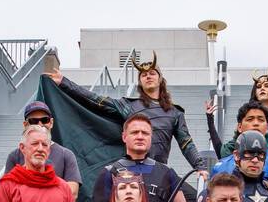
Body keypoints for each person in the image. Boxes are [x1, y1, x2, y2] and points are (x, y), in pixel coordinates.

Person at [47, 55, 207, 170]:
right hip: (131, 172)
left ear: (160, 79)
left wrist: (200, 167)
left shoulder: (174, 112)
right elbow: (97, 100)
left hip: (160, 173)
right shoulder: (128, 105)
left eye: (152, 73)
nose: (148, 76)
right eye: (144, 75)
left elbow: (186, 144)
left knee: (192, 199)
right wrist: (65, 83)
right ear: (140, 82)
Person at [91, 112, 192, 202]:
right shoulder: (109, 172)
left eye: (145, 133)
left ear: (151, 137)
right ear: (124, 137)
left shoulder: (166, 172)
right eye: (134, 132)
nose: (140, 136)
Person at [207, 102, 268, 196]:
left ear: (266, 128)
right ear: (239, 127)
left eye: (261, 120)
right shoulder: (220, 166)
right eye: (250, 119)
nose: (256, 123)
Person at [3, 101, 81, 199]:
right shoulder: (14, 156)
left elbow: (72, 192)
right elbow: (6, 191)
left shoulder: (66, 155)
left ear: (51, 122)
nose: (40, 124)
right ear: (25, 124)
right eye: (33, 121)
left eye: (44, 120)